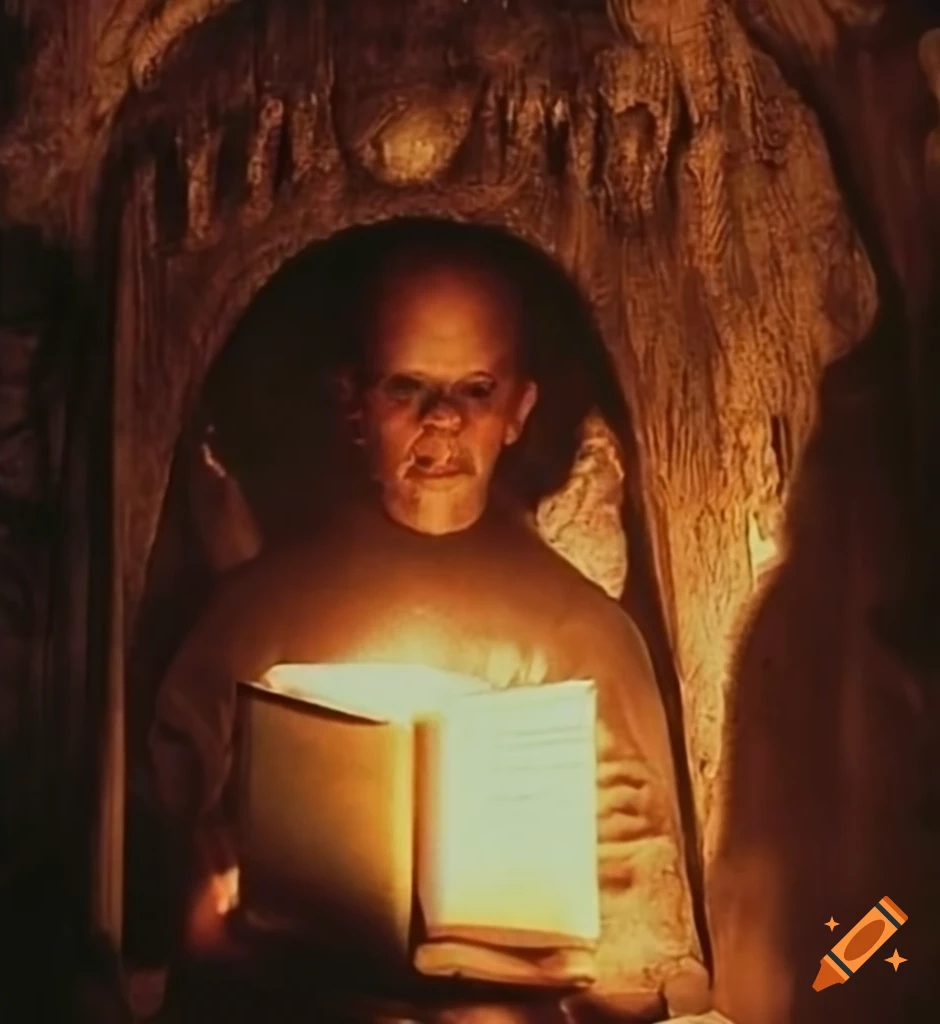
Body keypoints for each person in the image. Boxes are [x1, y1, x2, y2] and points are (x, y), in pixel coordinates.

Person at [125, 229, 702, 1019]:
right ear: (354, 403)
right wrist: (206, 871)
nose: (442, 423)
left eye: (474, 390)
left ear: (518, 410)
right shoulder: (256, 617)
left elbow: (647, 938)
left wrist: (599, 915)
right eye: (407, 389)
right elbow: (153, 862)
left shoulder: (584, 637)